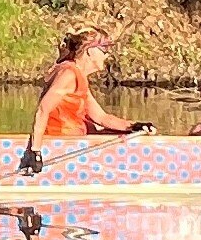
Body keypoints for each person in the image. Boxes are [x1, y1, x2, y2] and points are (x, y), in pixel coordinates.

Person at [21, 29, 146, 169]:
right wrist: (35, 151)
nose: (107, 56)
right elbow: (43, 109)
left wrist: (134, 126)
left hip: (75, 142)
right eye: (104, 50)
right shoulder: (68, 74)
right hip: (58, 145)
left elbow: (101, 118)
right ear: (90, 51)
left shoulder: (79, 77)